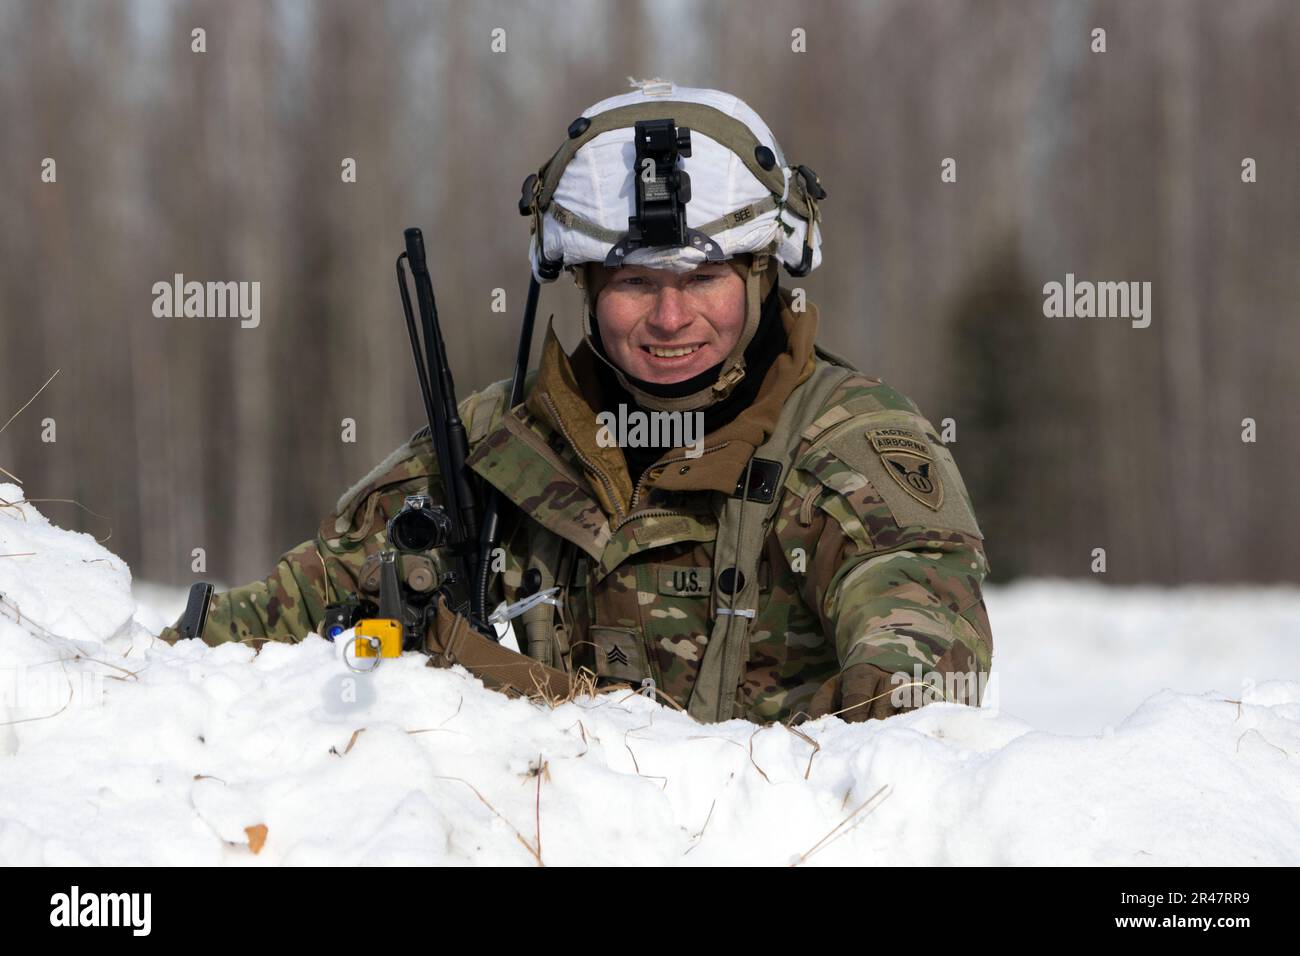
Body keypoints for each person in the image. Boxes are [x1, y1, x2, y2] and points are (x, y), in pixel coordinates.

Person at [161, 80, 993, 726]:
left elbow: (920, 676)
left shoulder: (848, 445)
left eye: (702, 279)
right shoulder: (499, 444)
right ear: (586, 285)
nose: (670, 320)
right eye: (634, 282)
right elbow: (297, 606)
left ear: (763, 274)